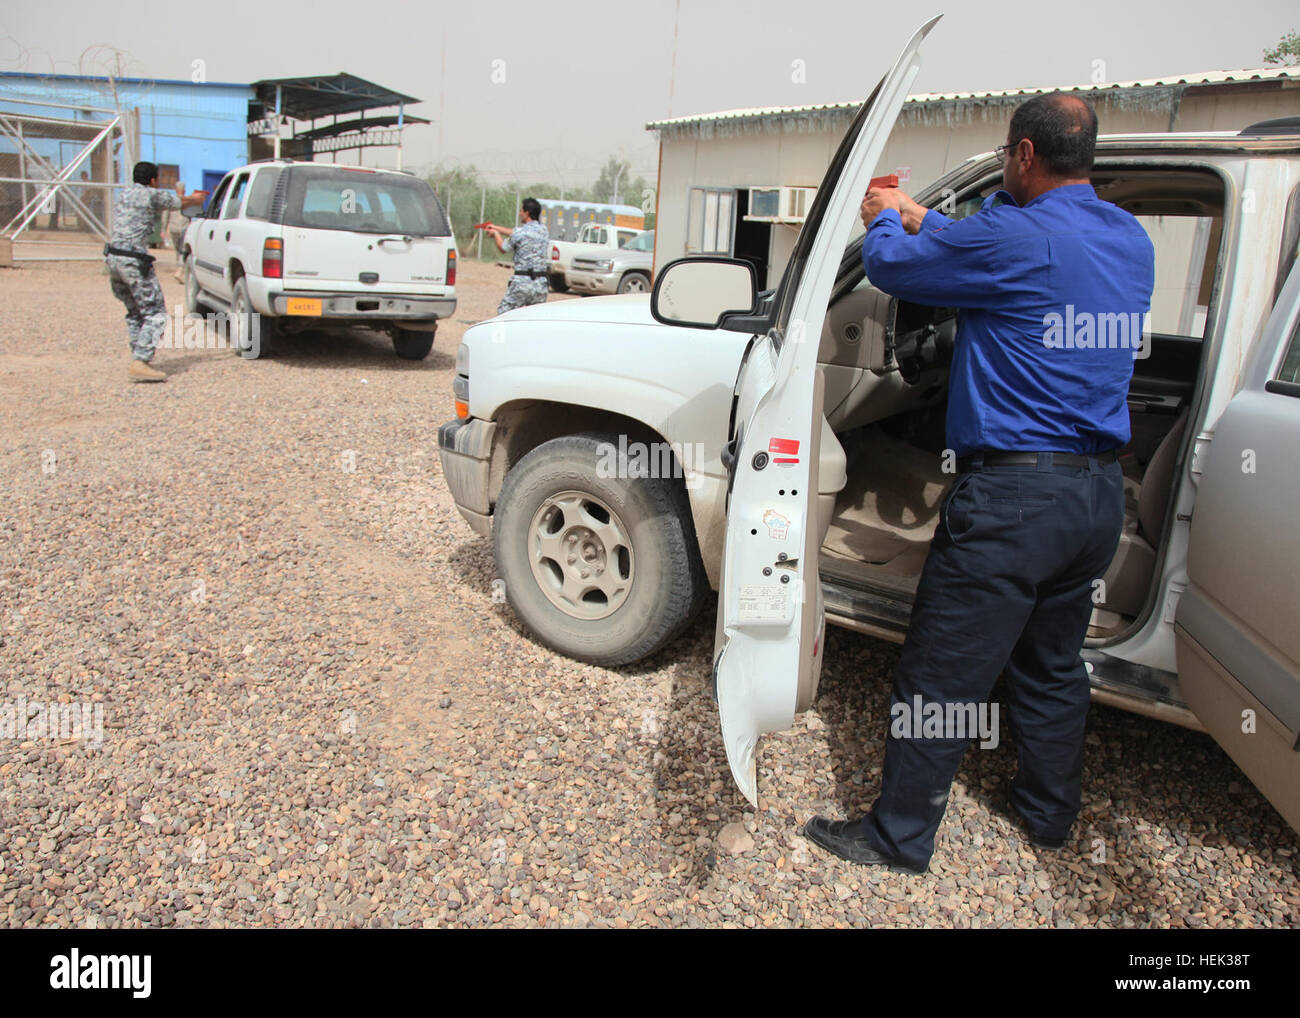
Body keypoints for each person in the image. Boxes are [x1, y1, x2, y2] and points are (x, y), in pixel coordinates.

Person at [802, 93, 1156, 873]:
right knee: (1052, 665)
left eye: (1004, 154)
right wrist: (931, 217)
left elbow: (892, 268)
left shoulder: (1013, 234)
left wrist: (885, 215)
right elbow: (995, 247)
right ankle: (1049, 815)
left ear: (1025, 154)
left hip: (1012, 505)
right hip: (1095, 498)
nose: (1002, 163)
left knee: (943, 672)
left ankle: (897, 839)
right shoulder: (1129, 238)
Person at [105, 161, 204, 382]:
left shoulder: (125, 194)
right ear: (152, 180)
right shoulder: (150, 195)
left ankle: (138, 356)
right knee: (156, 313)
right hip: (133, 261)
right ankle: (140, 361)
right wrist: (196, 200)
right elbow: (178, 202)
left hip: (113, 258)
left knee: (134, 311)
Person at [485, 197, 549, 315]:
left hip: (522, 283)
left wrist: (495, 234)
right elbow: (514, 232)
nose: (520, 214)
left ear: (527, 213)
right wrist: (495, 227)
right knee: (535, 318)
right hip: (541, 284)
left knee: (504, 314)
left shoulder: (520, 233)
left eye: (521, 211)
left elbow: (503, 248)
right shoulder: (544, 230)